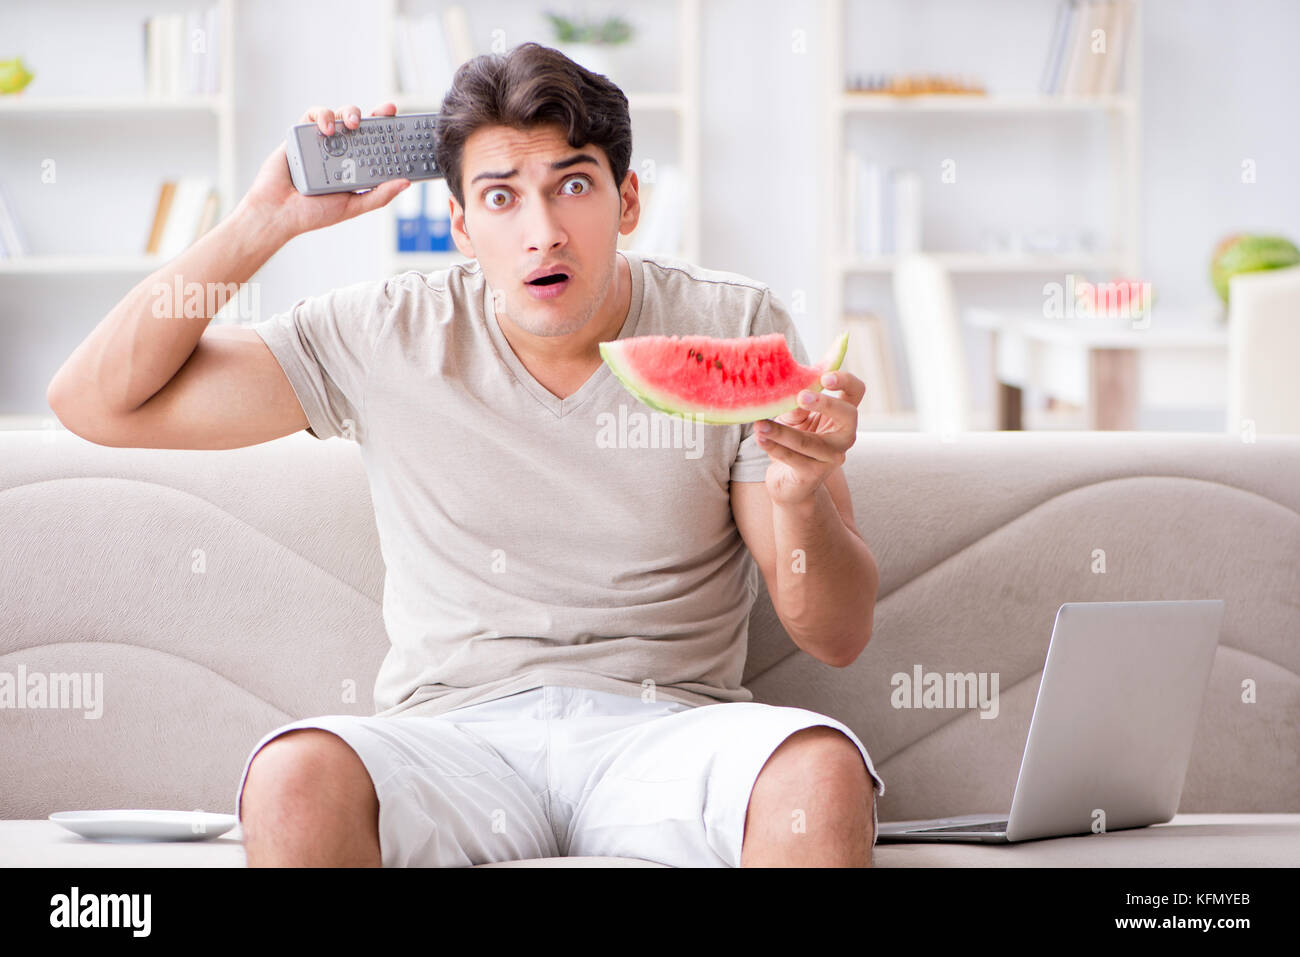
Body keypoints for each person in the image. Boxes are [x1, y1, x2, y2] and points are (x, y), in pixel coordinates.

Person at [47, 41, 884, 867]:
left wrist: (802, 494)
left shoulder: (735, 326)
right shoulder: (383, 334)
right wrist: (264, 223)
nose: (542, 233)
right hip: (451, 739)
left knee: (821, 773)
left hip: (671, 732)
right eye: (500, 197)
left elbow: (837, 635)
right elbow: (92, 402)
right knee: (291, 776)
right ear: (458, 222)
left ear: (628, 200)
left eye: (574, 186)